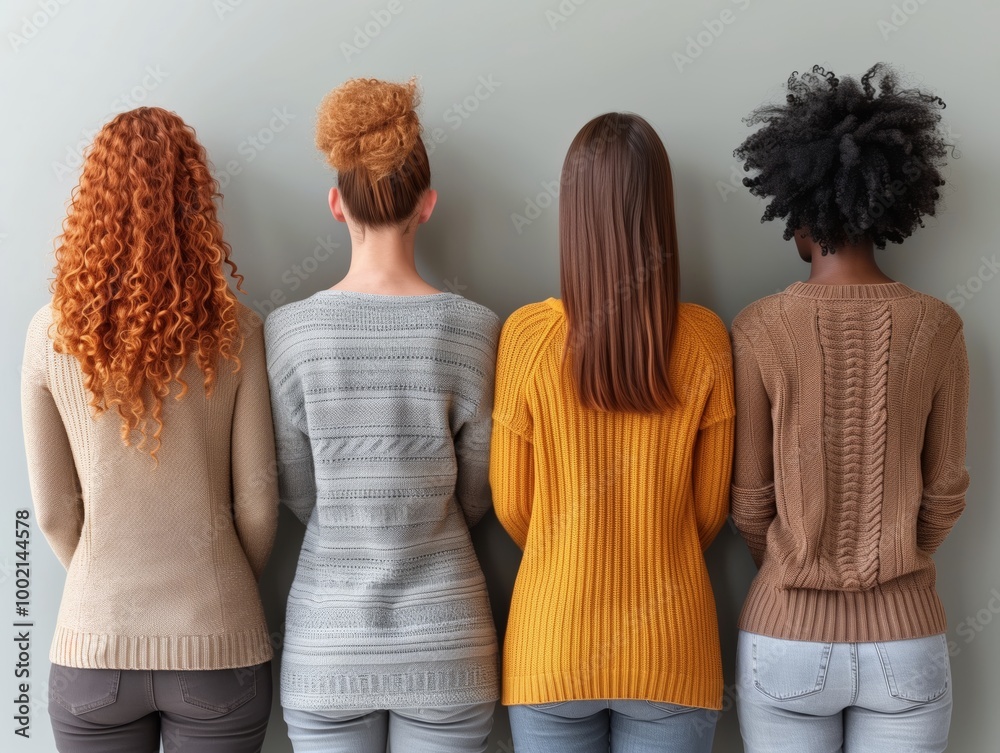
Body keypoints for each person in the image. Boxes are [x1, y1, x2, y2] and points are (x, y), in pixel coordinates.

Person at [21, 107, 279, 752]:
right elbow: (258, 505)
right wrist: (217, 589)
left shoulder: (49, 335)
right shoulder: (238, 330)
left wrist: (102, 578)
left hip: (93, 651)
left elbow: (51, 513)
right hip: (219, 648)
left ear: (91, 203)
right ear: (195, 205)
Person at [730, 64, 967, 753]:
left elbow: (750, 501)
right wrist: (893, 557)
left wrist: (795, 563)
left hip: (785, 636)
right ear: (889, 205)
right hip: (907, 636)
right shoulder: (937, 326)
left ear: (797, 210)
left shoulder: (759, 326)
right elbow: (945, 491)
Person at [266, 77, 500, 753]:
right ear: (427, 204)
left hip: (328, 648)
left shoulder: (290, 333)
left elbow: (295, 488)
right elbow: (478, 492)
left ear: (336, 204)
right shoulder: (475, 330)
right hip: (447, 645)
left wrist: (353, 512)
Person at [491, 112, 734, 753]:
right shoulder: (706, 339)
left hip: (551, 648)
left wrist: (565, 548)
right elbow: (709, 511)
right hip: (672, 649)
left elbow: (512, 505)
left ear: (572, 214)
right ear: (662, 215)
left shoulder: (527, 337)